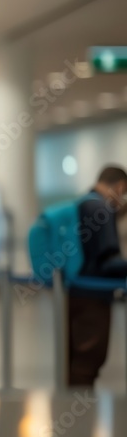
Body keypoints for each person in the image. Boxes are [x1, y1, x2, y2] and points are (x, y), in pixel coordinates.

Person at [68, 165, 127, 387]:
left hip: (73, 291)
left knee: (75, 360)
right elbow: (107, 261)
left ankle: (70, 405)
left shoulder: (83, 203)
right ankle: (79, 407)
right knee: (88, 362)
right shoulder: (102, 208)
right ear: (120, 187)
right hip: (93, 298)